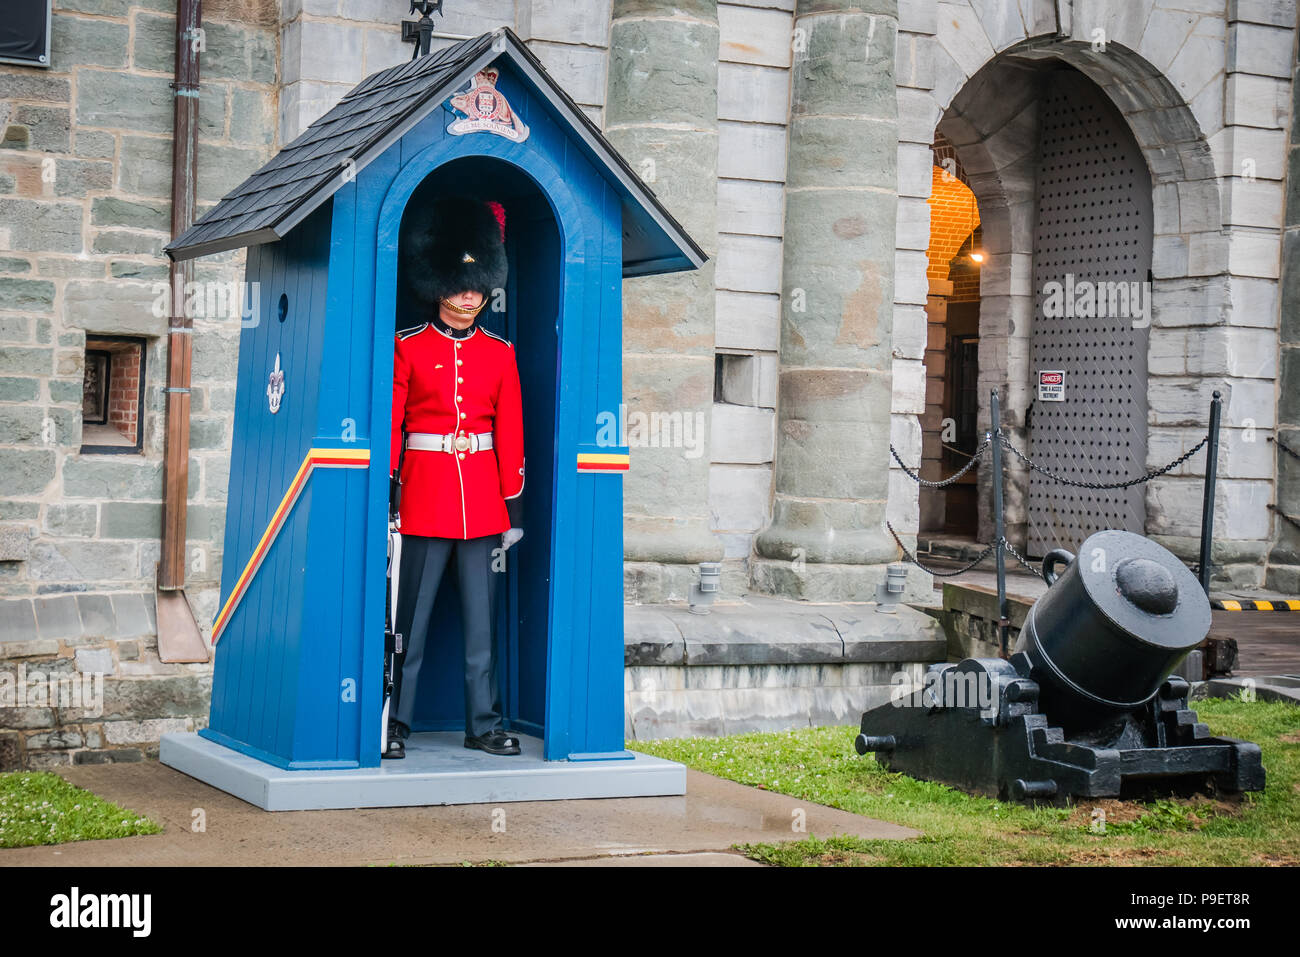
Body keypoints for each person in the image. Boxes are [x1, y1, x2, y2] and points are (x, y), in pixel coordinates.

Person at [385, 196, 524, 759]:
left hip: (484, 505)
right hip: (422, 497)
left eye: (476, 287)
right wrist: (391, 494)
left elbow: (511, 433)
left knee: (481, 629)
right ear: (437, 286)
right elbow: (395, 426)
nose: (469, 297)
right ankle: (395, 721)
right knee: (410, 625)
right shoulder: (408, 347)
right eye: (459, 286)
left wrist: (511, 507)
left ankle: (483, 724)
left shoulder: (500, 353)